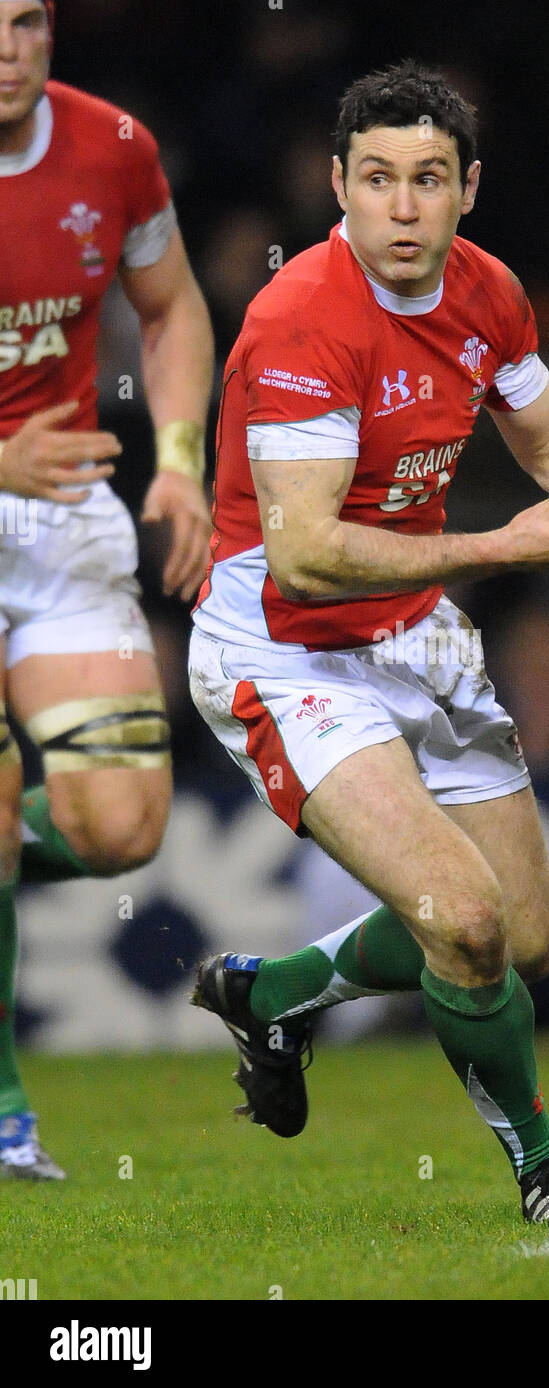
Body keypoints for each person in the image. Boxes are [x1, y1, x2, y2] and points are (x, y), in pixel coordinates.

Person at [189, 61, 549, 1225]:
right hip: (284, 650)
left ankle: (275, 994)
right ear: (338, 186)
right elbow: (305, 553)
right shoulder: (298, 320)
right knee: (465, 918)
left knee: (525, 939)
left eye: (429, 180)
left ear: (469, 190)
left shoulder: (487, 292)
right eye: (379, 179)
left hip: (415, 635)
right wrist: (508, 549)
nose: (403, 207)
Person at [0, 0, 214, 1178]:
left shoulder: (113, 147)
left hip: (65, 509)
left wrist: (180, 464)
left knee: (120, 827)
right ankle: (4, 1112)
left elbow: (173, 306)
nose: (6, 47)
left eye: (26, 20)